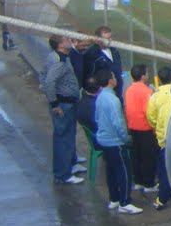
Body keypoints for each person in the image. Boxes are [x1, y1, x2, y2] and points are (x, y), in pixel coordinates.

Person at [93, 67, 142, 214]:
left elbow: (96, 118)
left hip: (104, 141)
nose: (116, 78)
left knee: (111, 171)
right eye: (114, 76)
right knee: (124, 171)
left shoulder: (100, 97)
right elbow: (119, 124)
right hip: (114, 142)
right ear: (110, 81)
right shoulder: (113, 100)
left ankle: (114, 199)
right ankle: (125, 202)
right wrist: (126, 139)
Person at [41, 35, 86, 185]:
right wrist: (54, 103)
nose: (70, 42)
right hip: (63, 105)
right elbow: (48, 81)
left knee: (69, 133)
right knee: (63, 138)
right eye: (67, 40)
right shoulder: (59, 62)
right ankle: (63, 174)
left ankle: (71, 162)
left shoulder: (55, 57)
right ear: (60, 45)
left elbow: (43, 75)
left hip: (68, 102)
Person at [146, 67, 171, 210]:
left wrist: (156, 128)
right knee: (169, 169)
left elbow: (151, 117)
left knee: (163, 166)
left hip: (162, 139)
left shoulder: (155, 96)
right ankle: (163, 198)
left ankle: (163, 192)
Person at [125, 64, 158, 194]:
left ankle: (138, 181)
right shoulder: (146, 91)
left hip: (133, 126)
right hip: (145, 127)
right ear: (143, 76)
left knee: (137, 155)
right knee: (148, 157)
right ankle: (148, 183)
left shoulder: (129, 89)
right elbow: (149, 112)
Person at [88, 25, 124, 91]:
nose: (110, 40)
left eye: (111, 37)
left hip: (117, 89)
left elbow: (118, 67)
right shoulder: (92, 54)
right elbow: (90, 74)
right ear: (98, 39)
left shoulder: (114, 50)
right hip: (102, 92)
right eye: (107, 38)